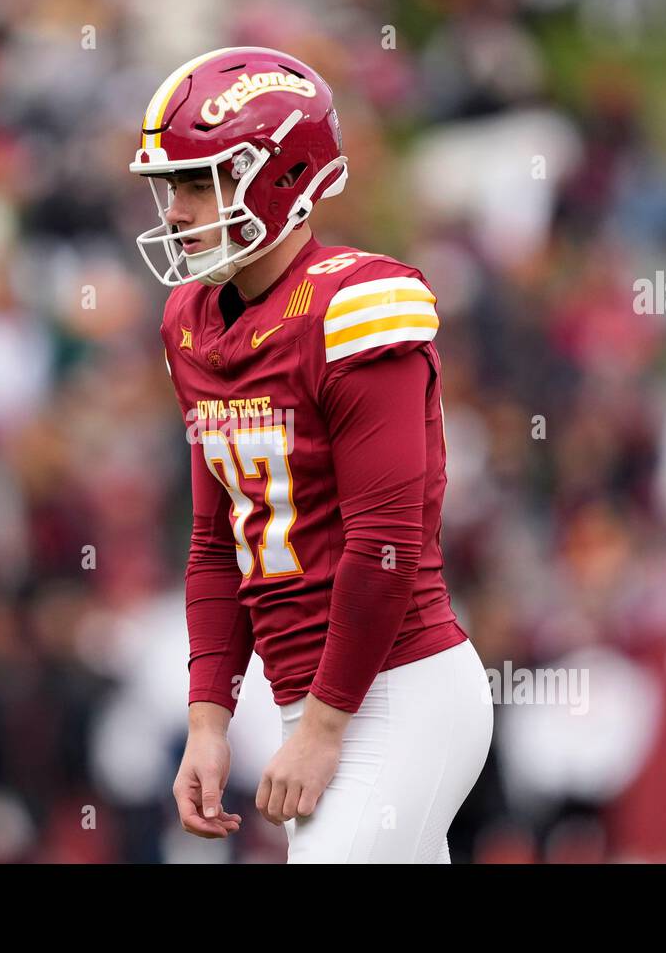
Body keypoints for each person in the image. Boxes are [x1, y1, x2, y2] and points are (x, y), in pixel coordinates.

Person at [129, 46, 493, 863]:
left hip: (398, 692)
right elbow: (217, 541)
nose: (177, 211)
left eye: (200, 181)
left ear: (280, 175)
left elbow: (386, 540)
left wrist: (326, 726)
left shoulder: (356, 305)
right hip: (307, 703)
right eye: (170, 187)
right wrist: (207, 719)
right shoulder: (190, 324)